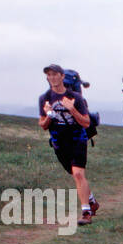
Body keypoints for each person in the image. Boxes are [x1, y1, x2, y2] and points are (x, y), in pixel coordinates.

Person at [38, 64, 98, 225]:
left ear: (62, 76)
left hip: (77, 140)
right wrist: (49, 114)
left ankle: (86, 212)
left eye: (55, 74)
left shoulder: (75, 98)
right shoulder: (44, 98)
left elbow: (86, 122)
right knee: (75, 175)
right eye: (49, 75)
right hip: (59, 143)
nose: (52, 78)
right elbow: (43, 125)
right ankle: (91, 200)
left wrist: (72, 110)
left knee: (78, 174)